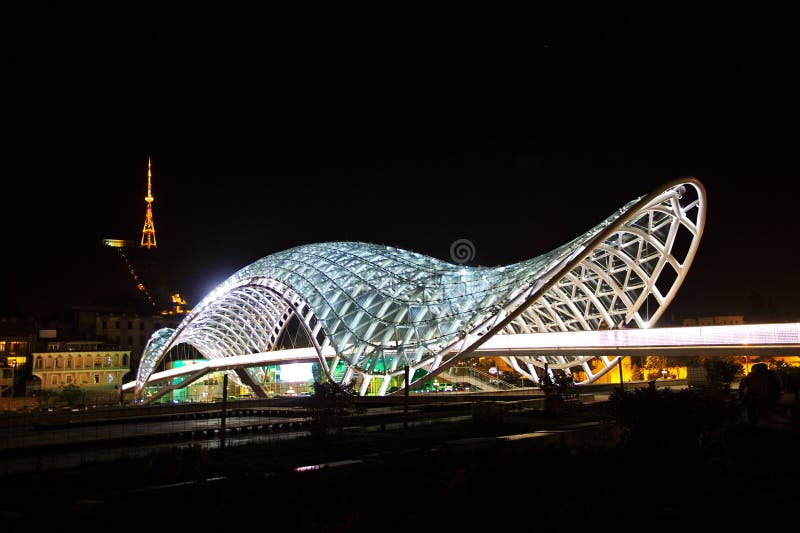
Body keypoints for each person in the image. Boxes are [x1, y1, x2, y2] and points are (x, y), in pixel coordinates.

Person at [738, 362, 783, 427]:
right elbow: (779, 386)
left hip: (760, 398)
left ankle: (753, 424)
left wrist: (742, 397)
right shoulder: (772, 374)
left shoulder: (753, 376)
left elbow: (743, 386)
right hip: (771, 397)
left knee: (751, 409)